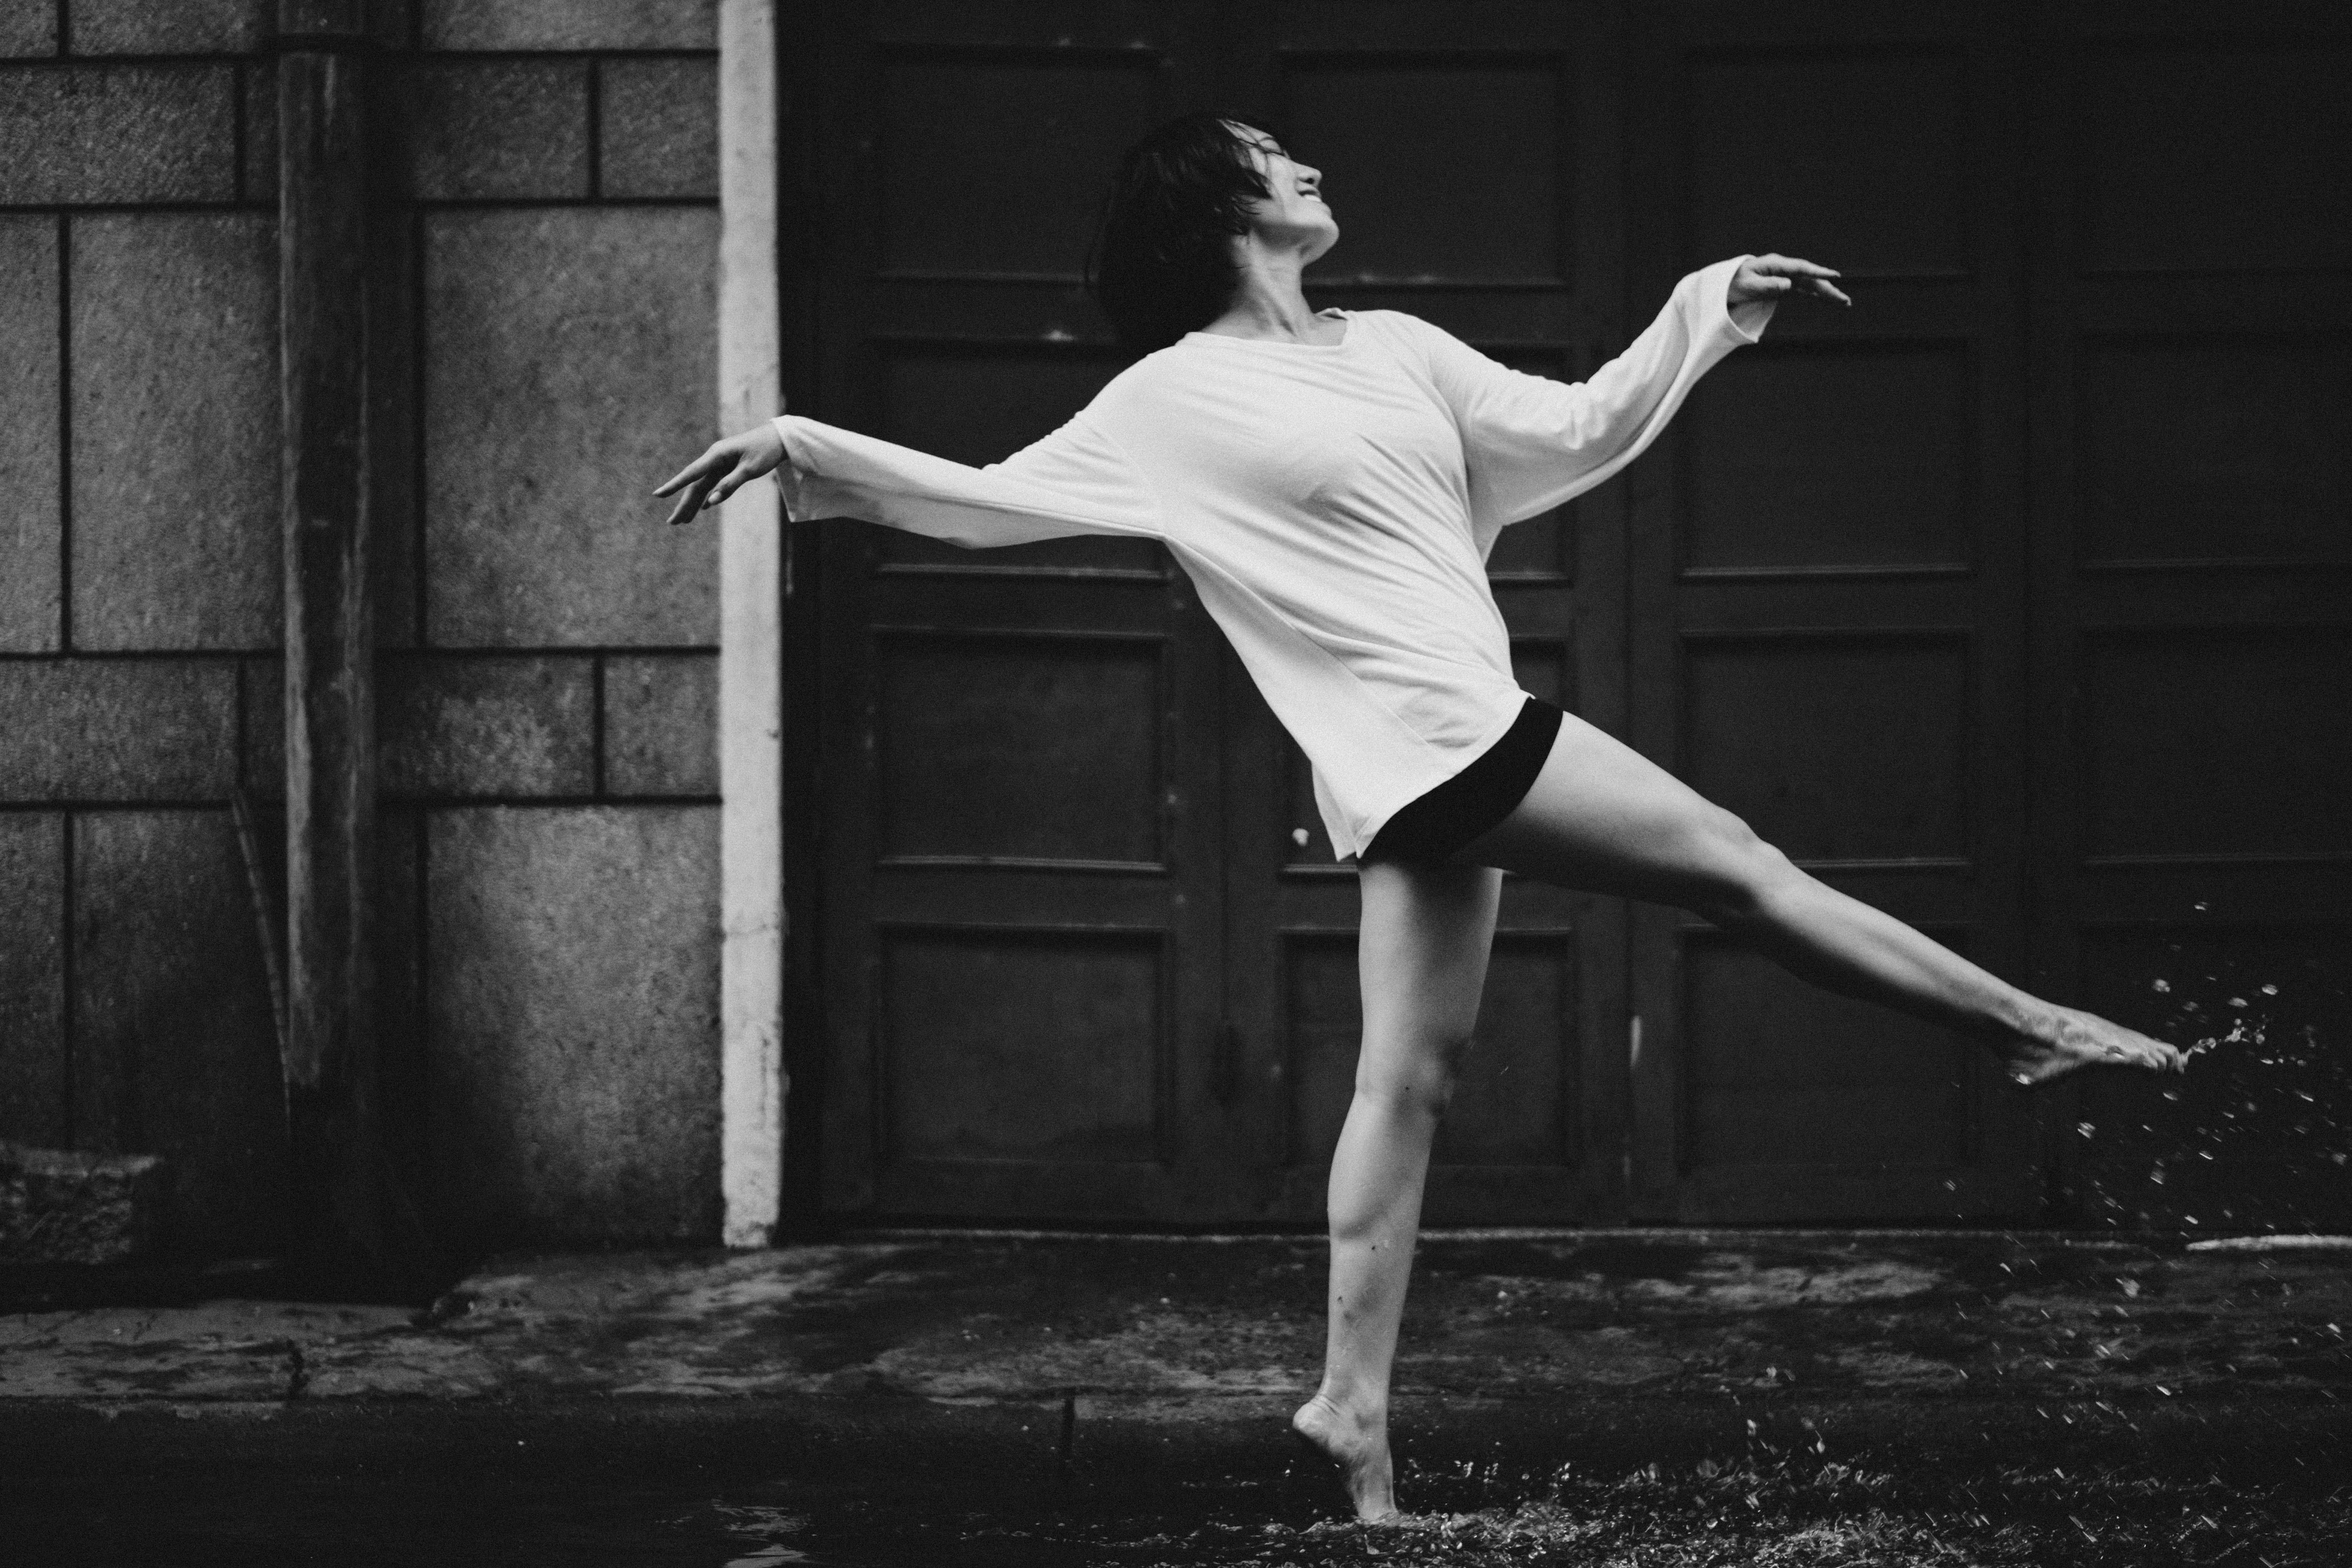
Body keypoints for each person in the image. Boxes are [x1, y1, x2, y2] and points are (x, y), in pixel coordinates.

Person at [656, 111, 2187, 1522]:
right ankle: (2020, 1024)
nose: (1307, 166)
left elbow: (1581, 425)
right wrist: (806, 442)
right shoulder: (1168, 399)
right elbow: (990, 497)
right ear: (1219, 205)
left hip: (1419, 760)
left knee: (1411, 1083)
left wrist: (1706, 304)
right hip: (1446, 740)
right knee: (1746, 874)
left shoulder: (1391, 342)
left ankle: (1349, 1409)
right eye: (1274, 157)